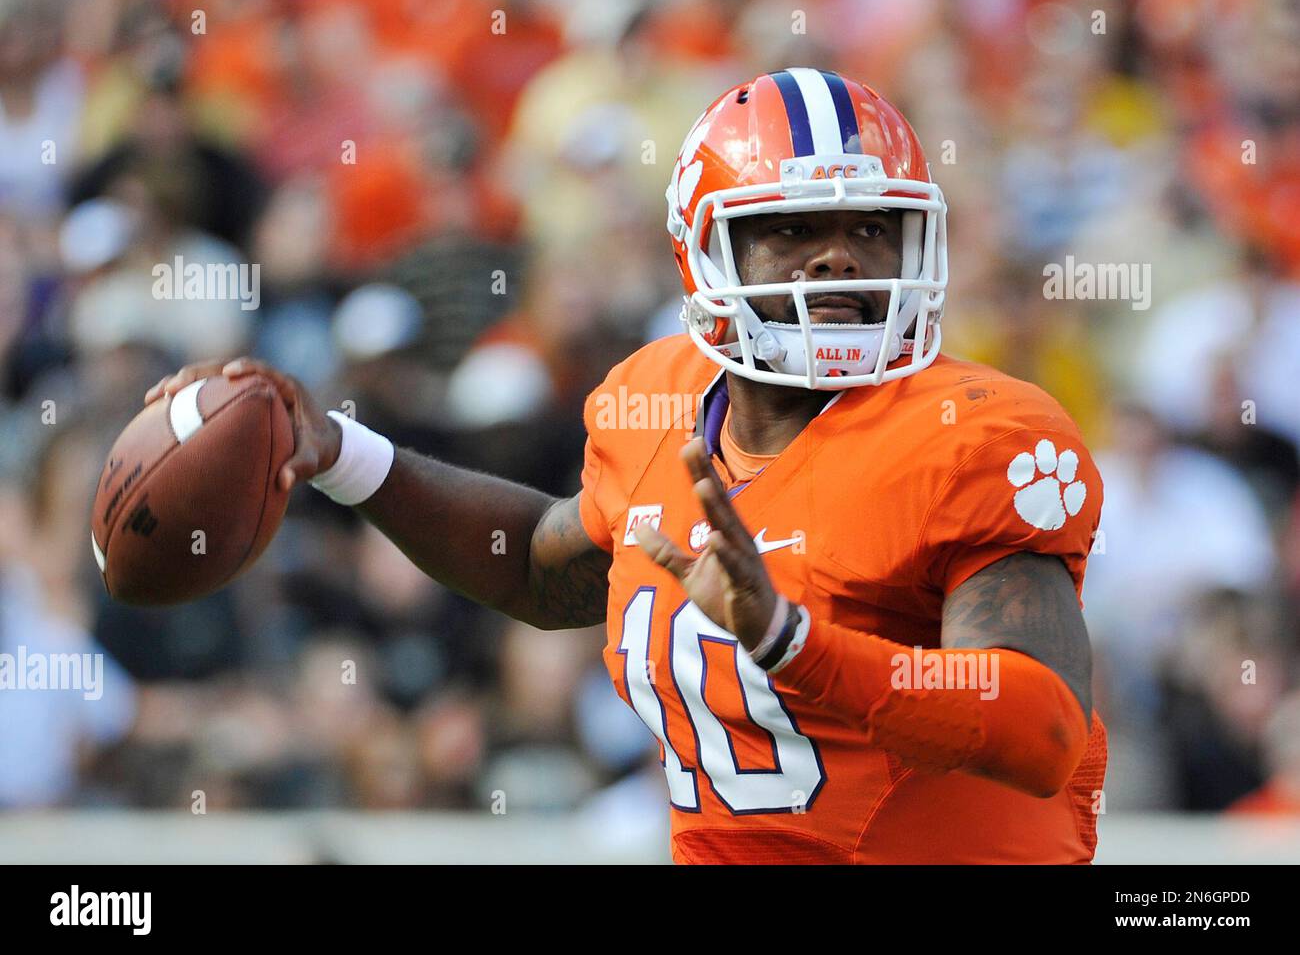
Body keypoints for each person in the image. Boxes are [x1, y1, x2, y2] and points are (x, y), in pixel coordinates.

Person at [145, 70, 1106, 864]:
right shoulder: (659, 399)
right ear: (706, 251)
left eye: (868, 227)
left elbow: (1043, 730)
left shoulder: (977, 435)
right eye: (792, 229)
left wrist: (789, 641)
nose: (838, 260)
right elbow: (536, 563)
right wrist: (341, 452)